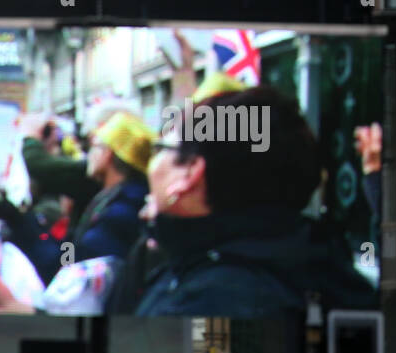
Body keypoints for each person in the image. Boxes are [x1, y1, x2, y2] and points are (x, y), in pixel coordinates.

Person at [136, 86, 377, 316]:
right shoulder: (304, 261)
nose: (152, 164)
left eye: (160, 148)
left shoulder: (213, 302)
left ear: (190, 172)